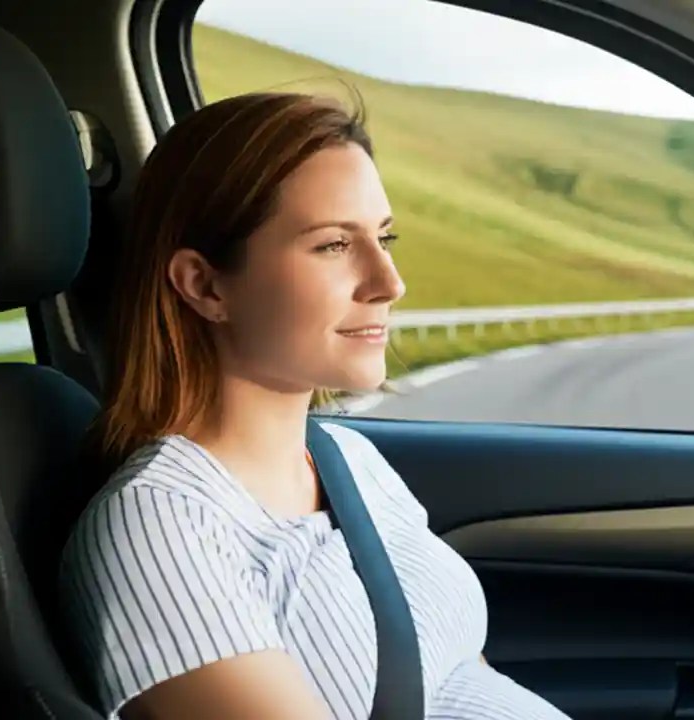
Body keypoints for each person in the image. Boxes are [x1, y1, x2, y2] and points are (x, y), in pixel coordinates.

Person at [58, 92, 570, 720]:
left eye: (386, 237)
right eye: (333, 245)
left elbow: (460, 674)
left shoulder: (348, 459)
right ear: (206, 285)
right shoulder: (162, 530)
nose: (390, 282)